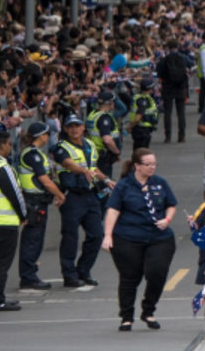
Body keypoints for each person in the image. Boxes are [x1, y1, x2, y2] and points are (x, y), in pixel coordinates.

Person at [101, 149, 177, 331]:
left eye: (154, 164)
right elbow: (113, 210)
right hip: (129, 235)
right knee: (130, 276)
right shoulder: (124, 185)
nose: (152, 167)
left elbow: (171, 205)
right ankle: (126, 316)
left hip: (158, 236)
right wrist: (108, 235)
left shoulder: (160, 183)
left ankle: (148, 310)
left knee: (157, 271)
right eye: (147, 164)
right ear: (137, 166)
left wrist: (167, 220)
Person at [54, 114, 115, 288]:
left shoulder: (89, 144)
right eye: (70, 126)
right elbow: (68, 164)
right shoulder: (61, 147)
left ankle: (84, 270)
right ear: (65, 129)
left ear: (83, 127)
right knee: (70, 236)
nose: (74, 129)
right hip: (71, 196)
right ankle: (69, 275)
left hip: (90, 194)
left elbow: (92, 167)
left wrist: (106, 180)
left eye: (77, 125)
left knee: (96, 235)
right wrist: (83, 172)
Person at [17, 122, 65, 290]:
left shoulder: (36, 153)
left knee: (35, 239)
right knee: (32, 240)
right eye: (47, 134)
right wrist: (60, 194)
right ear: (42, 136)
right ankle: (28, 276)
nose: (48, 137)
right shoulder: (33, 155)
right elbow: (45, 180)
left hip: (38, 201)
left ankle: (29, 274)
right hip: (33, 202)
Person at [0, 131, 26, 311]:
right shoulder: (1, 167)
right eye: (9, 144)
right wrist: (23, 215)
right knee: (0, 264)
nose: (10, 147)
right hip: (3, 223)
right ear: (3, 146)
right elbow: (15, 194)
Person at [155, 39, 190, 143]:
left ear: (168, 47)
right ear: (178, 46)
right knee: (181, 113)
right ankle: (181, 135)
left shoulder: (164, 59)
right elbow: (190, 66)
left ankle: (168, 136)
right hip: (181, 87)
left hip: (168, 87)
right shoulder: (183, 58)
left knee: (168, 112)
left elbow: (159, 73)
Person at [86, 91, 122, 179]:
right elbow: (107, 139)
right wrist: (117, 152)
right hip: (103, 155)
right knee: (104, 182)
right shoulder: (104, 117)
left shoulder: (93, 114)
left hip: (94, 153)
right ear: (110, 103)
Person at [129, 78, 159, 151]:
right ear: (150, 89)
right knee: (141, 153)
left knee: (138, 151)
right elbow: (138, 117)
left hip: (142, 130)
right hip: (142, 130)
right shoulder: (143, 100)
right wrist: (130, 127)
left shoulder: (139, 97)